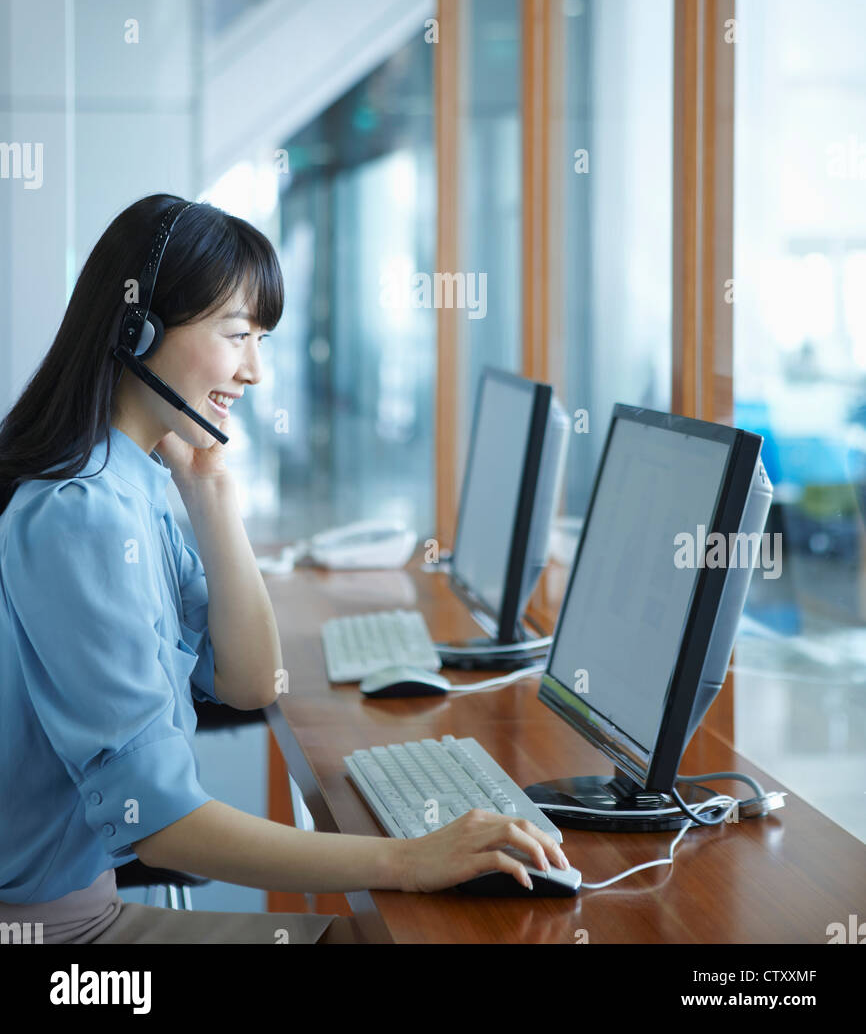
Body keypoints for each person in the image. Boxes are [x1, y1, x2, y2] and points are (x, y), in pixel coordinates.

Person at [0, 193, 568, 945]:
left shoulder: (137, 478)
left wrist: (210, 493)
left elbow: (248, 682)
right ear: (136, 331)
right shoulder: (82, 511)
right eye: (237, 335)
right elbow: (161, 827)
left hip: (77, 907)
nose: (256, 371)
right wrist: (408, 859)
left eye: (261, 339)